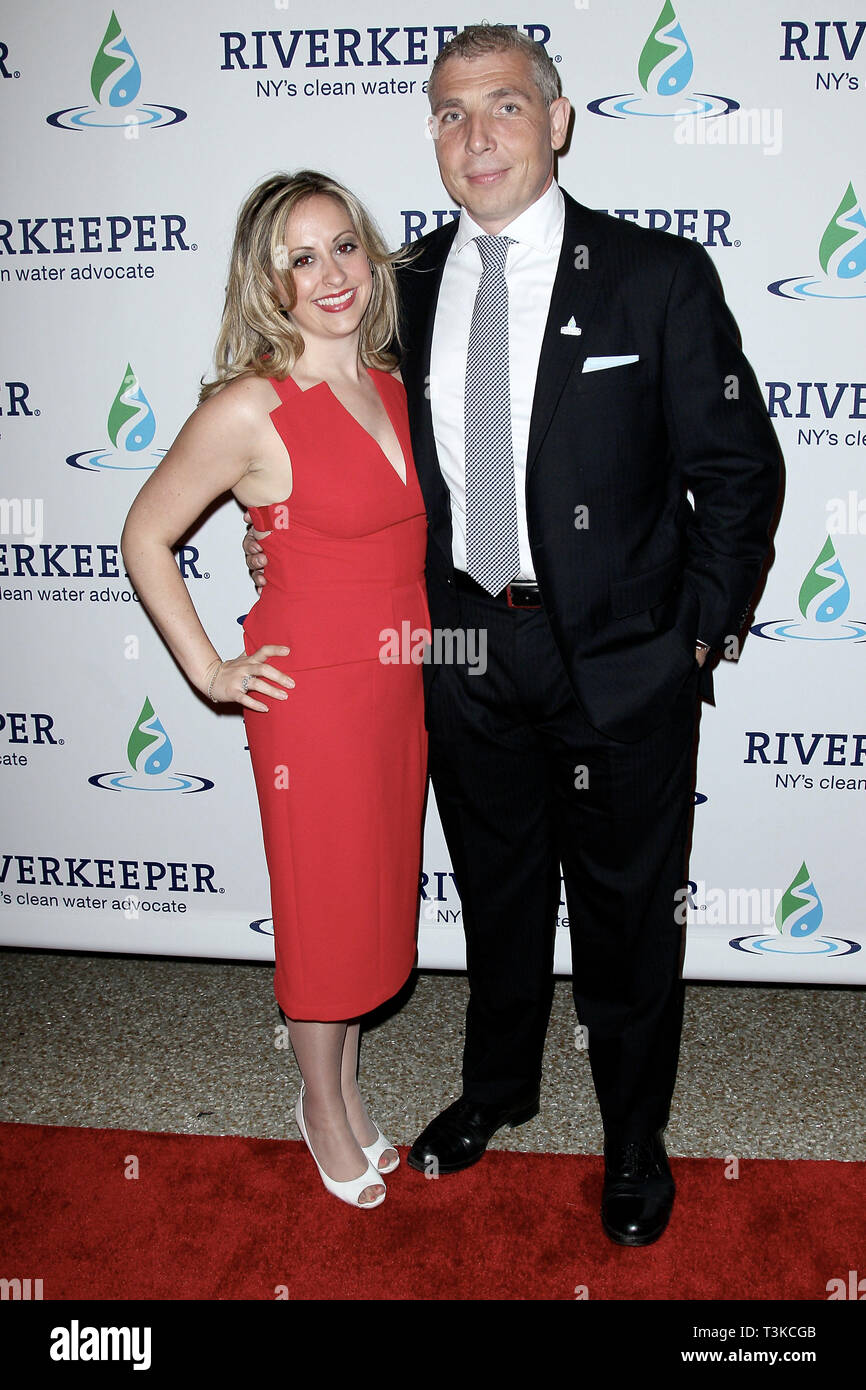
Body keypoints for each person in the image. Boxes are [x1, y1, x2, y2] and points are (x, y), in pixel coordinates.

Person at [245, 26, 781, 1244]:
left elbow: (738, 471)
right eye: (445, 113)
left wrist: (692, 637)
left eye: (498, 105)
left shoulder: (656, 276)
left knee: (625, 913)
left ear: (556, 120)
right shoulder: (406, 284)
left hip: (619, 657)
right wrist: (267, 525)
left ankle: (634, 1139)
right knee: (493, 891)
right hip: (461, 650)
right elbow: (335, 431)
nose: (471, 133)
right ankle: (497, 1090)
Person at [122, 171, 430, 1210]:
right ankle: (319, 1106)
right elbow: (144, 535)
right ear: (268, 281)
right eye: (300, 257)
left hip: (402, 687)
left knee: (372, 898)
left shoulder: (393, 383)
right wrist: (210, 670)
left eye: (343, 246)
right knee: (322, 910)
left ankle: (342, 1089)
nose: (330, 273)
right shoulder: (251, 406)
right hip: (313, 696)